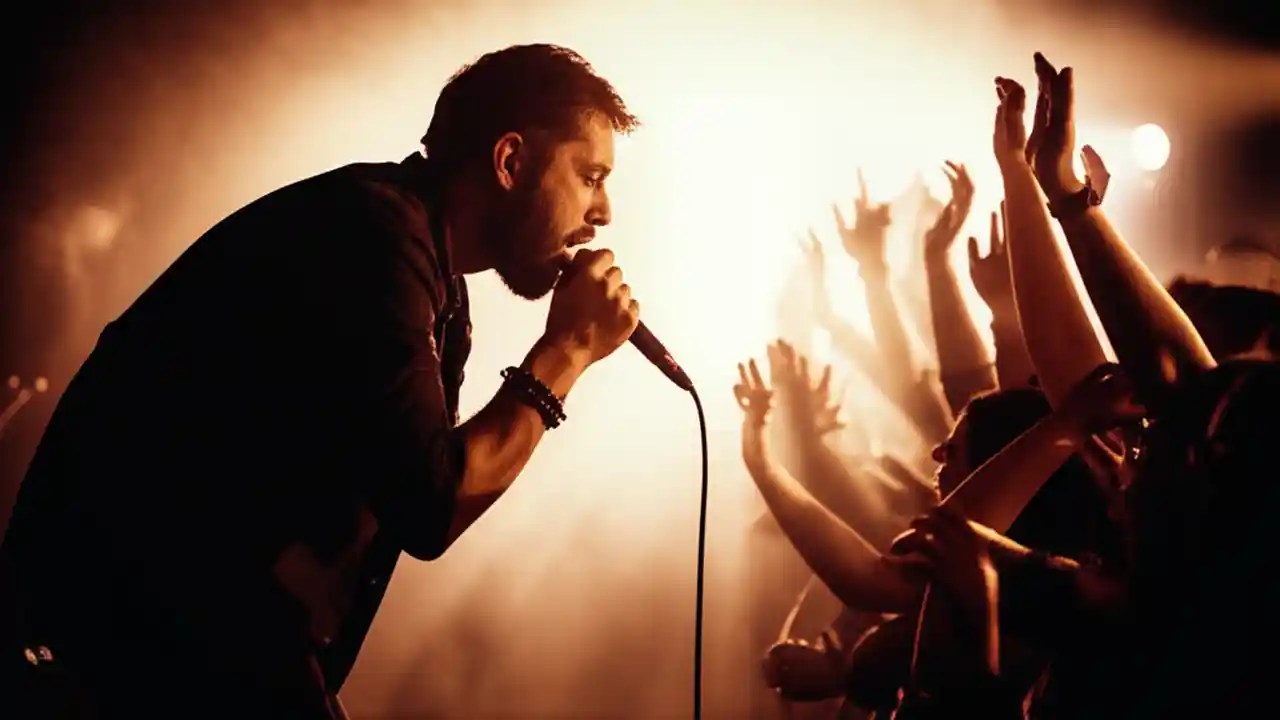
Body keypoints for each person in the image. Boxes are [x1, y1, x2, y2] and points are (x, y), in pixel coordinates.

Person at [0, 43, 641, 719]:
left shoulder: (438, 292)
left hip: (173, 644)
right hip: (91, 651)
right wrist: (567, 349)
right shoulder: (373, 239)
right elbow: (431, 502)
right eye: (590, 176)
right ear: (510, 161)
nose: (603, 212)